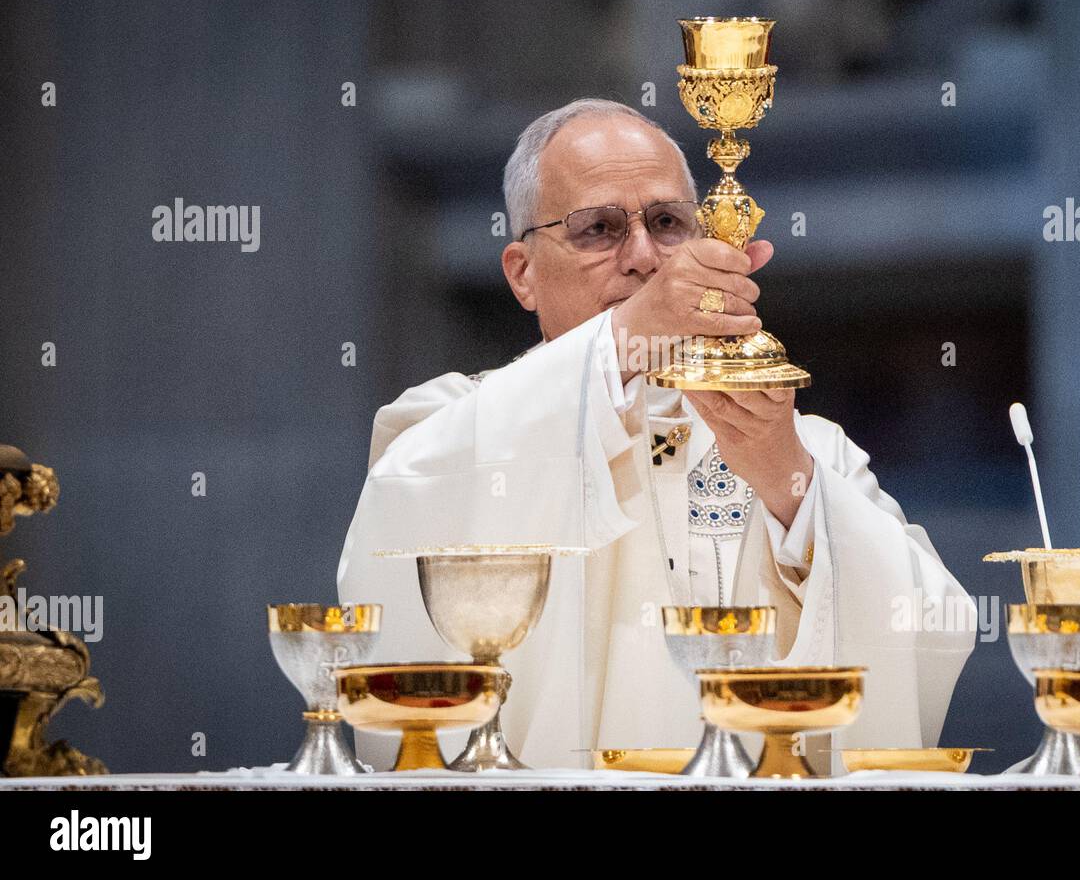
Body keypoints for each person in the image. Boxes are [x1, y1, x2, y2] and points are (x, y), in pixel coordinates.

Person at [336, 98, 976, 771]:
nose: (644, 257)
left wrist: (792, 489)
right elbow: (399, 529)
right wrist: (631, 335)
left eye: (668, 223)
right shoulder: (451, 421)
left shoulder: (806, 446)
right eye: (599, 229)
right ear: (522, 274)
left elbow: (928, 625)